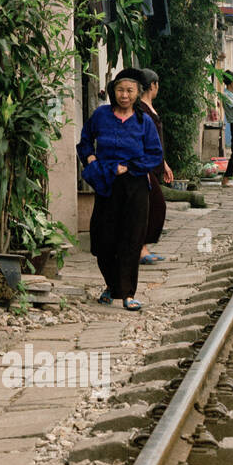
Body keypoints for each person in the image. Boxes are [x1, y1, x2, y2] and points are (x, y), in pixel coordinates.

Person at [78, 69, 163, 312]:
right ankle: (112, 284)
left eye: (129, 91)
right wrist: (92, 159)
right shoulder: (101, 115)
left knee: (131, 238)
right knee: (103, 240)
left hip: (135, 184)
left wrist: (130, 167)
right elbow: (84, 141)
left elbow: (155, 154)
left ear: (137, 94)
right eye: (119, 90)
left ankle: (126, 293)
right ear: (113, 92)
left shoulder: (143, 121)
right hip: (106, 183)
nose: (124, 95)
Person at [134, 67, 173, 266]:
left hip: (154, 164)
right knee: (155, 205)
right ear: (153, 85)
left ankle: (143, 248)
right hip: (144, 166)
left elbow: (155, 140)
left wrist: (164, 163)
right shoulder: (141, 109)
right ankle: (140, 249)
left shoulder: (148, 107)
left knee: (150, 206)